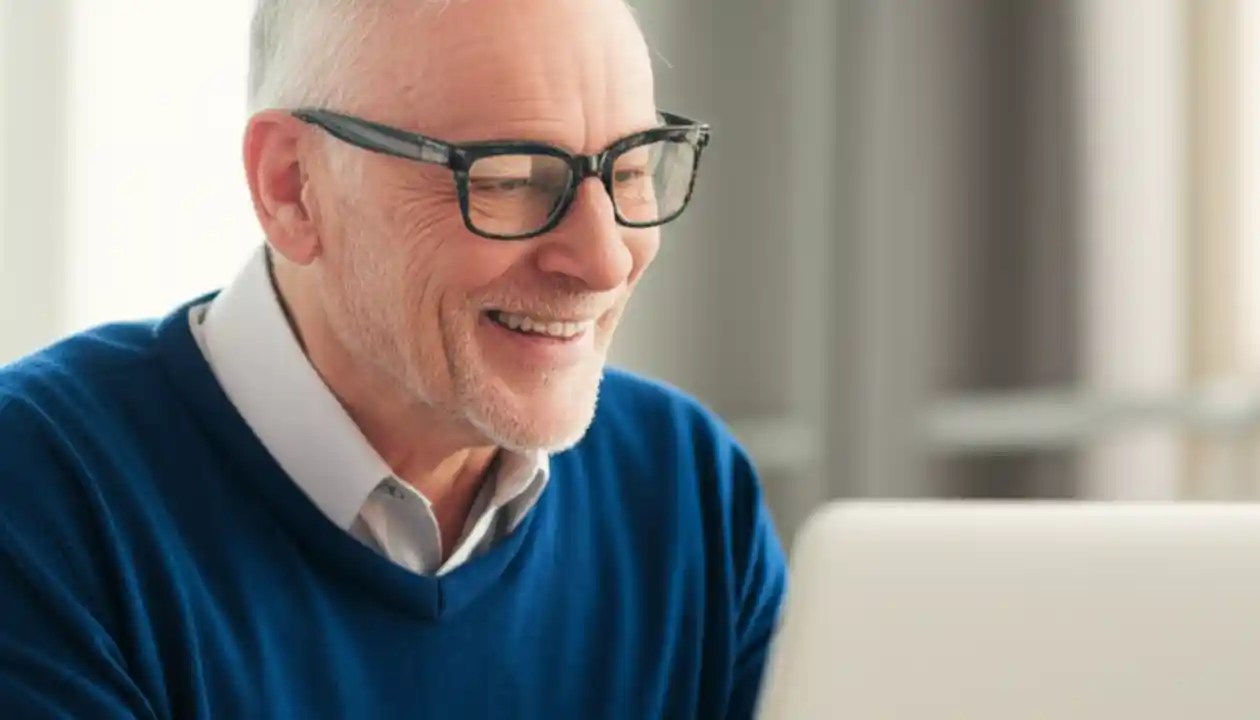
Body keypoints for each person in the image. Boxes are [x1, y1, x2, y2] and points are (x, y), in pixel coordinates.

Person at [0, 0, 787, 717]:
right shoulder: (41, 495)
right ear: (292, 188)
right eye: (509, 180)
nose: (606, 259)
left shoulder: (686, 491)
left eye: (633, 169)